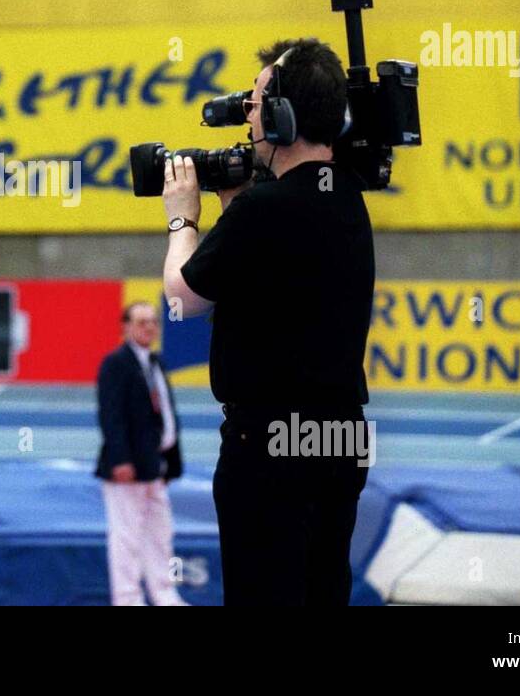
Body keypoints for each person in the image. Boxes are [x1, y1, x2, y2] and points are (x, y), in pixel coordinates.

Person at [159, 38, 375, 606]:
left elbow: (184, 298)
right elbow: (273, 271)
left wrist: (183, 217)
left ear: (283, 117)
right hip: (339, 436)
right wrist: (236, 205)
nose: (247, 117)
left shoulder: (266, 210)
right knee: (320, 590)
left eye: (255, 104)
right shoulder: (347, 196)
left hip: (271, 444)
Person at [94, 301, 188, 606]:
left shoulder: (156, 362)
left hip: (154, 467)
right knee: (126, 538)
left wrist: (171, 463)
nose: (148, 327)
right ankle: (128, 599)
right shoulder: (115, 363)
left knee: (160, 534)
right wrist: (121, 460)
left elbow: (165, 415)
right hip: (128, 468)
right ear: (125, 327)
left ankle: (164, 594)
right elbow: (111, 415)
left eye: (152, 322)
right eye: (141, 322)